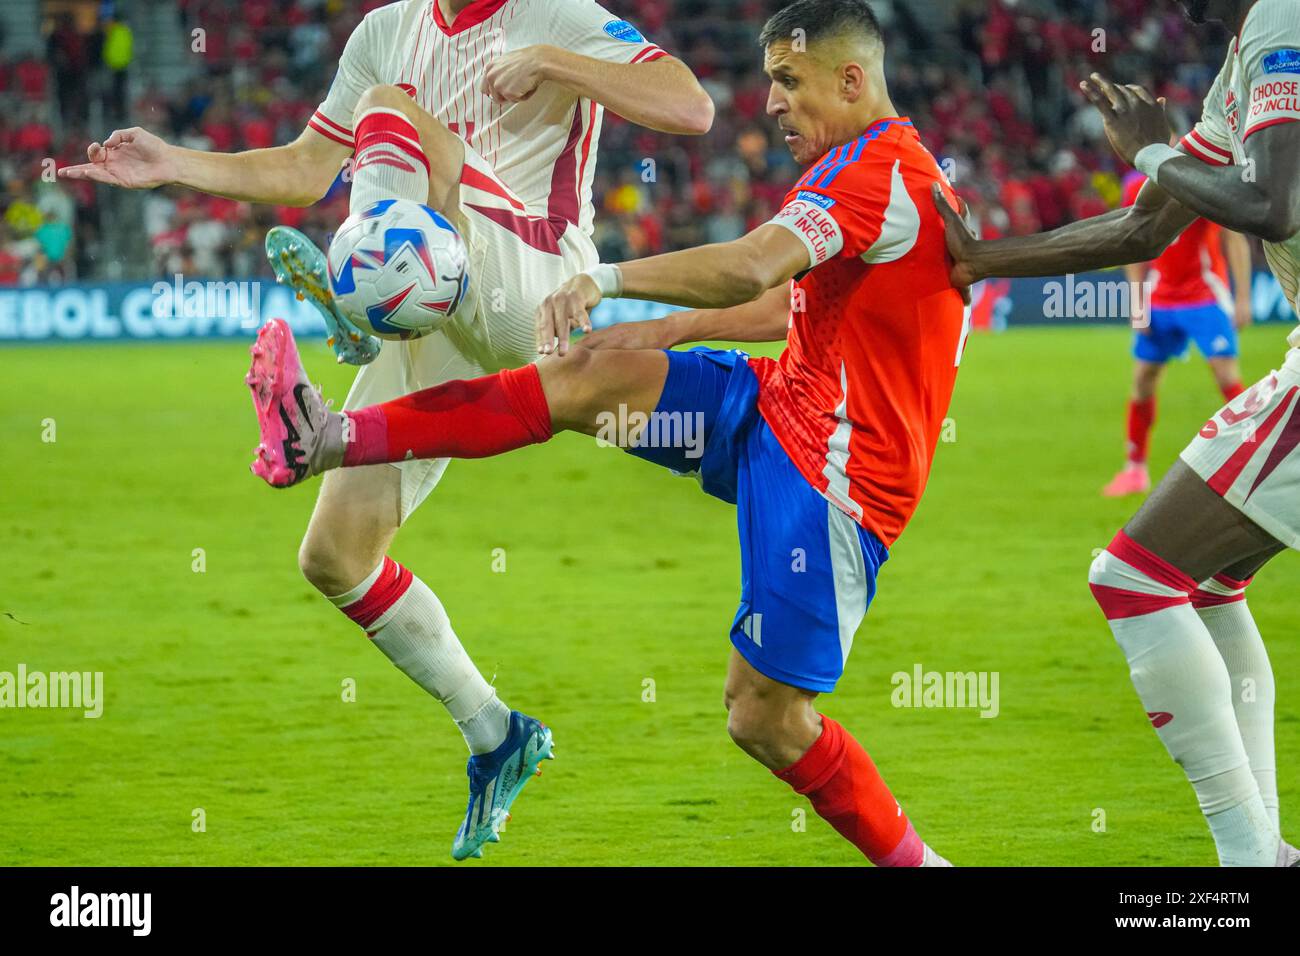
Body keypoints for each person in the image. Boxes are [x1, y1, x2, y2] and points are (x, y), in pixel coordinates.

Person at [246, 0, 964, 867]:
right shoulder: (855, 160)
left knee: (764, 719)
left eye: (787, 80)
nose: (770, 101)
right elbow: (784, 304)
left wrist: (608, 281)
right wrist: (660, 333)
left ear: (852, 79)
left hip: (836, 478)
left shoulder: (877, 170)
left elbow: (751, 266)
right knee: (581, 378)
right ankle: (327, 436)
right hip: (770, 407)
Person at [60, 0, 713, 861]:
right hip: (439, 306)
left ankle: (357, 296)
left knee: (394, 112)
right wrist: (171, 162)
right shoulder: (385, 29)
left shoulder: (554, 14)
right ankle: (496, 734)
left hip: (536, 287)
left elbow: (691, 106)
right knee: (334, 554)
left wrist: (557, 62)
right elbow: (305, 170)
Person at [932, 0, 1300, 866]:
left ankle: (1249, 864)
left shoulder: (1283, 22)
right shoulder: (1240, 66)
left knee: (1132, 577)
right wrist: (985, 259)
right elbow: (1144, 225)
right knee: (1206, 585)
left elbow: (1274, 206)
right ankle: (1264, 853)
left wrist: (1149, 151)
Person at [1103, 169, 1254, 497]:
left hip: (1204, 294)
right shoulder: (1135, 185)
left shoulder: (1201, 180)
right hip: (1161, 297)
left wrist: (1243, 297)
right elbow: (1133, 245)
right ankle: (1135, 469)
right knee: (1143, 379)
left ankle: (1258, 457)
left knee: (1226, 376)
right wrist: (1138, 303)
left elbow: (1233, 237)